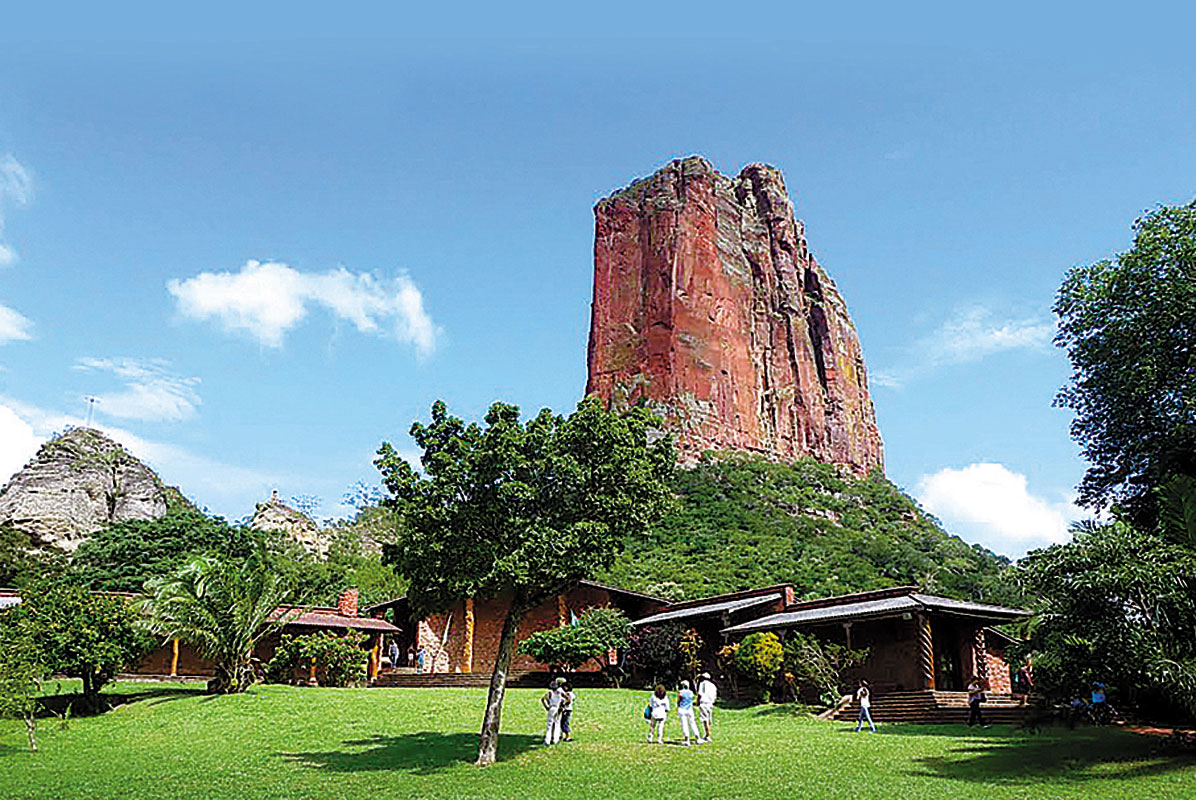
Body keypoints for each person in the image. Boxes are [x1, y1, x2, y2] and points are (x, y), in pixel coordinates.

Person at [696, 672, 717, 743]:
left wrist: (697, 701)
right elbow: (715, 695)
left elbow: (700, 694)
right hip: (710, 703)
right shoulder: (713, 685)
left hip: (704, 702)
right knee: (709, 719)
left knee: (705, 719)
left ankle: (708, 735)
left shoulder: (702, 684)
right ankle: (707, 733)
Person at [677, 680, 699, 745]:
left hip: (682, 709)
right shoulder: (691, 693)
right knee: (693, 723)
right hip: (689, 709)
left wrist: (678, 705)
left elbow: (679, 700)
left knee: (684, 724)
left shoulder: (680, 692)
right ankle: (697, 737)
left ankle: (687, 738)